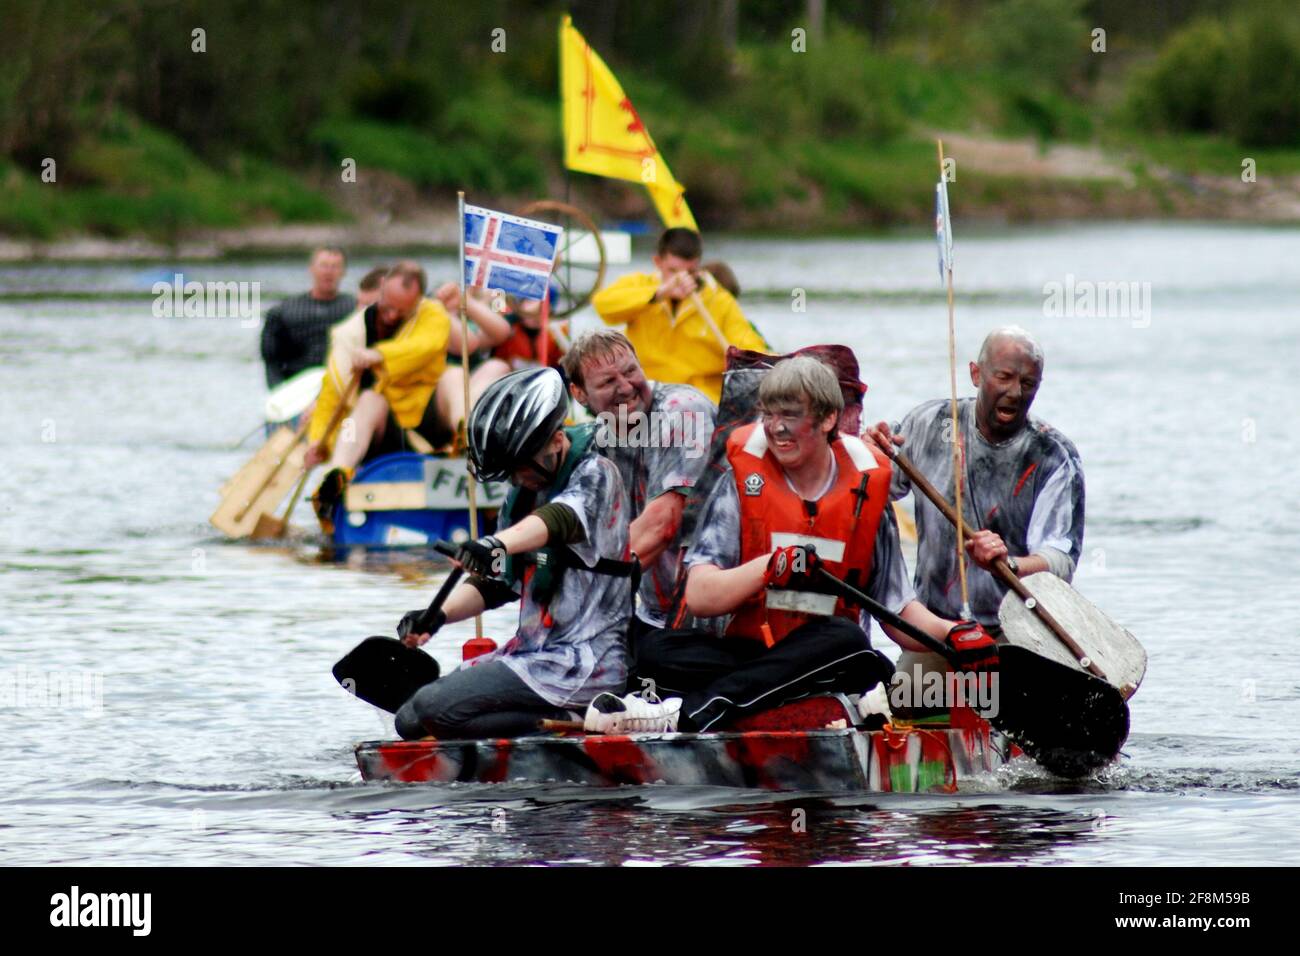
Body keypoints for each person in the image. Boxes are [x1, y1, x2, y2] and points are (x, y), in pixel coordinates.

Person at [629, 355, 997, 733]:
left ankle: (692, 713)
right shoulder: (739, 487)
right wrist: (770, 567)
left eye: (789, 415)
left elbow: (898, 610)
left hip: (830, 656)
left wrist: (953, 632)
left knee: (850, 643)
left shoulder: (866, 493)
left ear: (827, 420)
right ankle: (747, 700)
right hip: (757, 655)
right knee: (656, 654)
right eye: (768, 415)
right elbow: (702, 596)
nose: (776, 429)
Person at [394, 367, 640, 739]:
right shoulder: (524, 490)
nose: (515, 478)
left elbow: (559, 520)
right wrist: (436, 616)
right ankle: (543, 724)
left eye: (520, 466)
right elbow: (496, 584)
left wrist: (495, 542)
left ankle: (577, 723)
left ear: (557, 441)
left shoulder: (597, 473)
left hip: (584, 659)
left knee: (434, 708)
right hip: (531, 653)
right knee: (409, 718)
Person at [866, 326, 1085, 629]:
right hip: (938, 630)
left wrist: (1008, 564)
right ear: (976, 374)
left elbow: (1060, 559)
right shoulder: (928, 424)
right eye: (1004, 377)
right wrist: (866, 450)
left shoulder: (1054, 456)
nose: (1015, 392)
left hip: (1022, 631)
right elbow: (870, 489)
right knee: (910, 679)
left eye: (1028, 383)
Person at [562, 329, 716, 636]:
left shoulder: (684, 411)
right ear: (579, 394)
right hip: (652, 615)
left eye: (631, 370)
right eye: (607, 382)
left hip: (710, 620)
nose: (626, 386)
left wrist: (580, 586)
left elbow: (661, 527)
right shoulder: (594, 439)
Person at [303, 261, 451, 490]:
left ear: (418, 301)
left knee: (455, 376)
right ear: (382, 291)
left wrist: (379, 355)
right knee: (369, 401)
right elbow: (330, 397)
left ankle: (467, 445)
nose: (391, 316)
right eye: (386, 306)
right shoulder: (349, 334)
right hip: (369, 434)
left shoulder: (432, 315)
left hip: (423, 425)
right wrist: (317, 441)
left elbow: (427, 346)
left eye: (401, 311)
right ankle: (336, 477)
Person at [592, 228, 769, 404]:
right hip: (646, 395)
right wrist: (659, 293)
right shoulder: (640, 285)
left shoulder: (719, 300)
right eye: (674, 271)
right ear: (657, 262)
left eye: (690, 272)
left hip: (699, 399)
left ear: (698, 265)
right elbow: (603, 305)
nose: (682, 279)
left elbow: (752, 352)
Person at [259, 247, 355, 387]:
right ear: (311, 269)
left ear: (343, 272)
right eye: (324, 266)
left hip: (343, 383)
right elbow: (271, 361)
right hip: (298, 386)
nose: (328, 272)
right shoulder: (283, 312)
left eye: (335, 267)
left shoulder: (355, 309)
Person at [431, 282, 514, 439]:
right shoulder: (443, 295)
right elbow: (469, 343)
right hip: (442, 390)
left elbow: (502, 330)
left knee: (497, 366)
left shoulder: (498, 293)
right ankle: (465, 431)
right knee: (455, 375)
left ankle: (472, 428)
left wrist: (469, 302)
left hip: (481, 375)